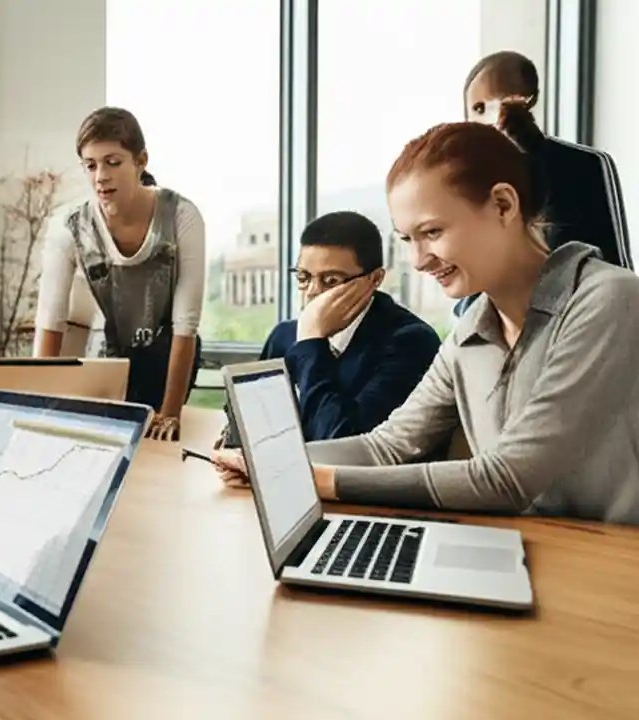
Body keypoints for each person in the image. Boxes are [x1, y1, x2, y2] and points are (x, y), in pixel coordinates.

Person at [211, 121, 639, 525]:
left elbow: (507, 479)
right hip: (525, 549)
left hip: (610, 568)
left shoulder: (607, 299)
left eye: (432, 232)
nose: (418, 261)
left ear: (503, 205)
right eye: (407, 240)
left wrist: (310, 479)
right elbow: (386, 446)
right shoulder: (470, 329)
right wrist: (266, 463)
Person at [34, 107, 205, 441]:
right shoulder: (69, 225)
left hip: (168, 353)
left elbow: (187, 323)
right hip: (108, 355)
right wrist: (38, 406)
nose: (101, 175)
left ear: (140, 161)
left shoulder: (182, 216)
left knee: (156, 446)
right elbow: (50, 321)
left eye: (113, 162)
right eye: (91, 165)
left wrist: (170, 413)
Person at [220, 211, 439, 446]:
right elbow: (246, 426)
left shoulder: (411, 343)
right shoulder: (283, 335)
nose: (312, 291)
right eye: (304, 277)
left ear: (375, 279)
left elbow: (344, 445)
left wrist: (311, 342)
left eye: (332, 280)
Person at [463, 51, 630, 268]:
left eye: (483, 108)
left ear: (530, 101)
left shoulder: (584, 164)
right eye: (477, 109)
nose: (488, 118)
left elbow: (614, 269)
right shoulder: (466, 178)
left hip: (580, 297)